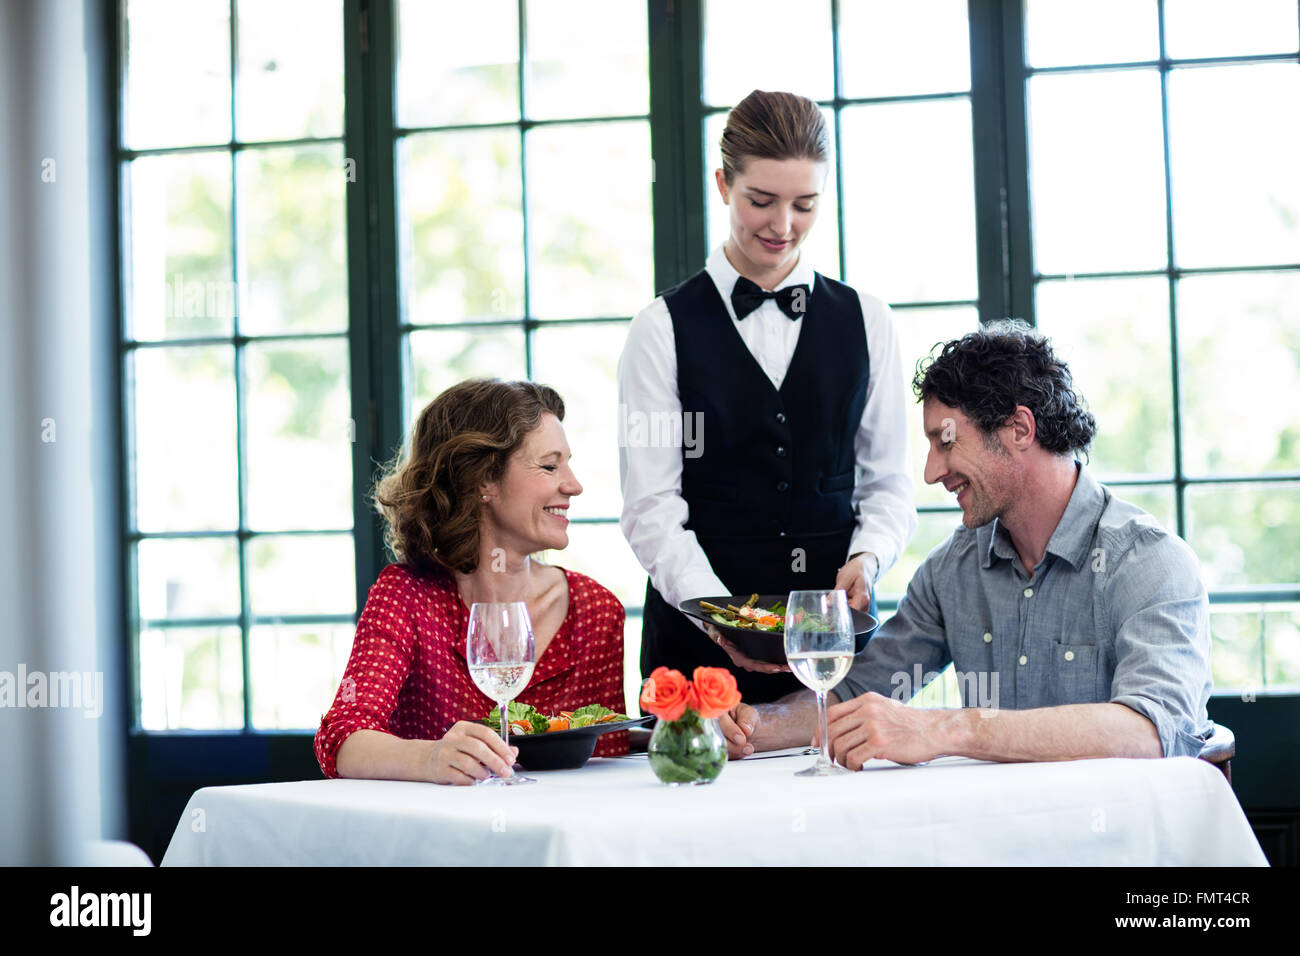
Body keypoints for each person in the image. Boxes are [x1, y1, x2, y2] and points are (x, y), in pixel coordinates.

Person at [724, 322, 1213, 766]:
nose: (931, 472)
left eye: (947, 442)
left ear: (1019, 428)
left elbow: (1151, 730)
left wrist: (947, 727)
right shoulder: (952, 571)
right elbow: (848, 694)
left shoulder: (1149, 563)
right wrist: (751, 727)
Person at [618, 89, 916, 711]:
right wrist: (718, 615)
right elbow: (650, 508)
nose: (783, 226)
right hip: (693, 652)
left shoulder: (869, 321)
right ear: (723, 184)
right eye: (762, 201)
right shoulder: (659, 328)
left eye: (804, 204)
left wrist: (870, 557)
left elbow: (887, 485)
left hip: (831, 646)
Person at [314, 379, 627, 785]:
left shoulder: (596, 610)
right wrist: (430, 758)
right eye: (550, 466)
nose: (573, 484)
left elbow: (611, 758)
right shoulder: (406, 597)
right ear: (483, 481)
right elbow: (341, 739)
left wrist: (689, 729)